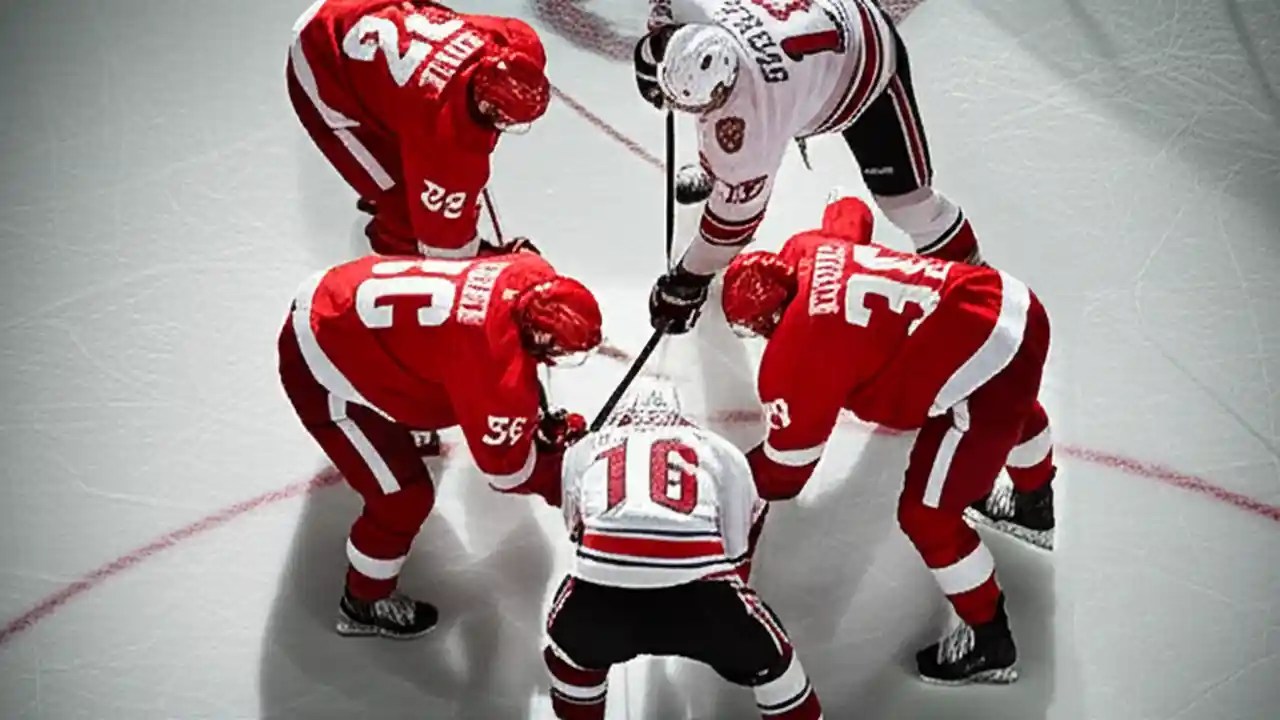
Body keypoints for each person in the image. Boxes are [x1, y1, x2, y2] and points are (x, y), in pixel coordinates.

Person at [720, 195, 1056, 685]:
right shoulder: (807, 250)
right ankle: (1034, 503)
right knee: (1015, 402)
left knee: (928, 515)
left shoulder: (795, 356)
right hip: (1006, 302)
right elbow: (851, 213)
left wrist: (722, 470)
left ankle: (991, 641)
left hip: (985, 372)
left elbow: (786, 473)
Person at [277, 249, 600, 638]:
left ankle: (398, 411)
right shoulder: (497, 373)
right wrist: (564, 473)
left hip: (336, 294)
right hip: (317, 364)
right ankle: (363, 602)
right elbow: (508, 472)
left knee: (435, 383)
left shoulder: (529, 270)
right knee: (403, 499)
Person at [635, 0, 983, 334]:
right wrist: (652, 51)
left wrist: (688, 280)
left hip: (868, 68)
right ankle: (718, 174)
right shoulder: (702, 9)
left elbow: (731, 228)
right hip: (822, 27)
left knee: (911, 207)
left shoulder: (752, 123)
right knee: (725, 149)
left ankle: (977, 290)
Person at [539, 381, 823, 720]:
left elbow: (576, 531)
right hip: (703, 602)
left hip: (600, 603)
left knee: (569, 656)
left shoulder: (584, 450)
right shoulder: (720, 450)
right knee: (777, 668)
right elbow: (737, 548)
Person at [288, 0, 551, 258]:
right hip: (322, 59)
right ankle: (387, 260)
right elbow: (445, 249)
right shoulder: (446, 142)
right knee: (404, 217)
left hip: (352, 8)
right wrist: (496, 258)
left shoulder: (511, 41)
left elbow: (517, 39)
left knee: (406, 127)